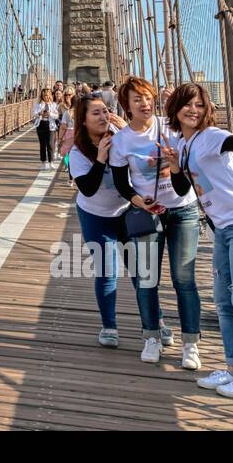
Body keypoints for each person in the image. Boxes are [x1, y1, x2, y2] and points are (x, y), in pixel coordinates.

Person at [164, 82, 233, 403]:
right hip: (223, 229)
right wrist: (174, 167)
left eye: (199, 104)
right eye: (187, 104)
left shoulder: (210, 136)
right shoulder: (185, 145)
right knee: (224, 303)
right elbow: (184, 188)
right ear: (176, 109)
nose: (193, 110)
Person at [109, 76, 201, 370]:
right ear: (127, 105)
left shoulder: (171, 127)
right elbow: (123, 184)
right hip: (149, 214)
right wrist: (139, 201)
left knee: (184, 279)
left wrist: (179, 102)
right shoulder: (121, 141)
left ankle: (190, 344)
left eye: (148, 97)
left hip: (183, 211)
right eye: (137, 99)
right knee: (147, 279)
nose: (145, 103)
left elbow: (201, 133)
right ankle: (151, 337)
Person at [66, 92, 141, 348]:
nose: (103, 116)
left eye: (105, 111)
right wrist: (100, 158)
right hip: (95, 216)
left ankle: (155, 321)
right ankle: (109, 326)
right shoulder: (78, 151)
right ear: (83, 120)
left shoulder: (121, 138)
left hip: (127, 213)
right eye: (95, 112)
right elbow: (87, 188)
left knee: (141, 269)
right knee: (108, 271)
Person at [32, 88, 58, 164]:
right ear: (42, 96)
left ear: (50, 95)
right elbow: (33, 114)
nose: (46, 97)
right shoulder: (37, 105)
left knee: (50, 144)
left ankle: (51, 162)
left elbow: (56, 116)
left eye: (47, 95)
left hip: (50, 125)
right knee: (42, 144)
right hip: (41, 124)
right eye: (44, 95)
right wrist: (40, 113)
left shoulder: (54, 104)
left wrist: (50, 114)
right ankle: (43, 161)